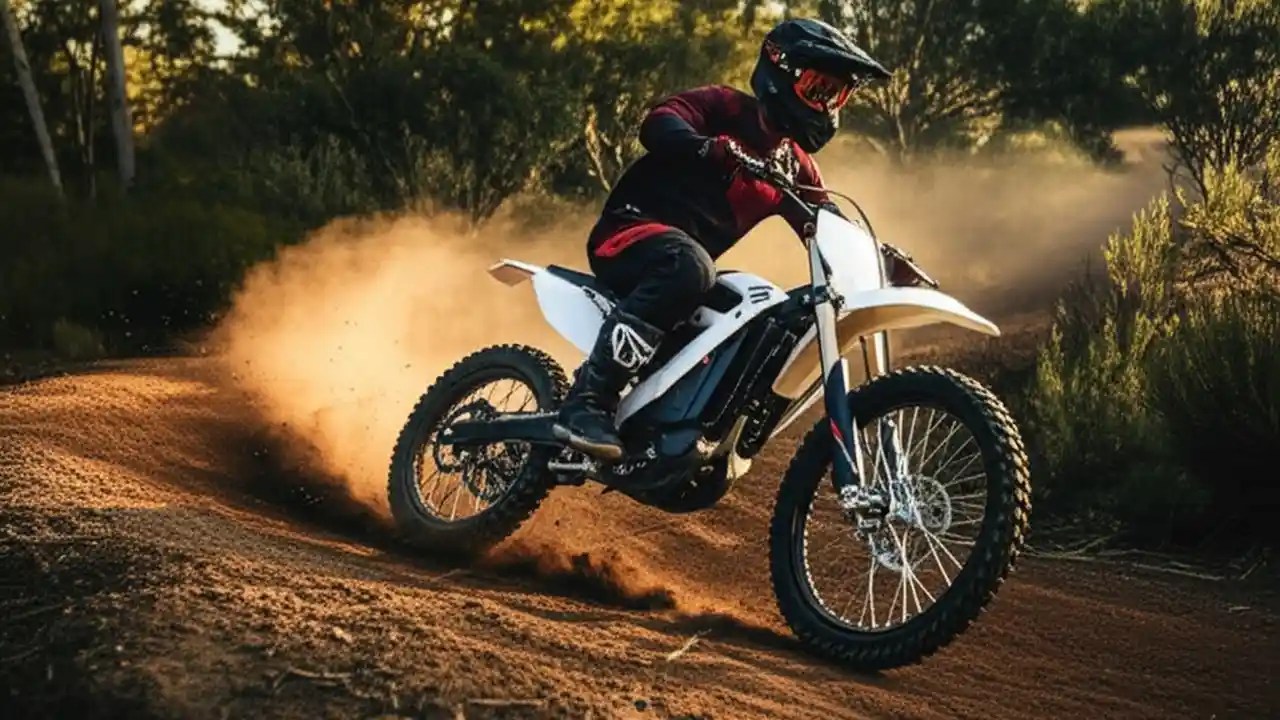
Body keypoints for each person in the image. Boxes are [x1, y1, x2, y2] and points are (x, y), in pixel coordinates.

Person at [554, 17, 931, 461]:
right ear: (780, 73)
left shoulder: (795, 166)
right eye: (818, 89)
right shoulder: (725, 107)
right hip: (628, 234)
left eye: (835, 95)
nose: (826, 106)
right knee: (691, 267)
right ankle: (588, 402)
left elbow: (827, 225)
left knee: (760, 313)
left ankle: (681, 425)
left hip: (686, 270)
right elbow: (658, 123)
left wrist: (882, 260)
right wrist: (706, 148)